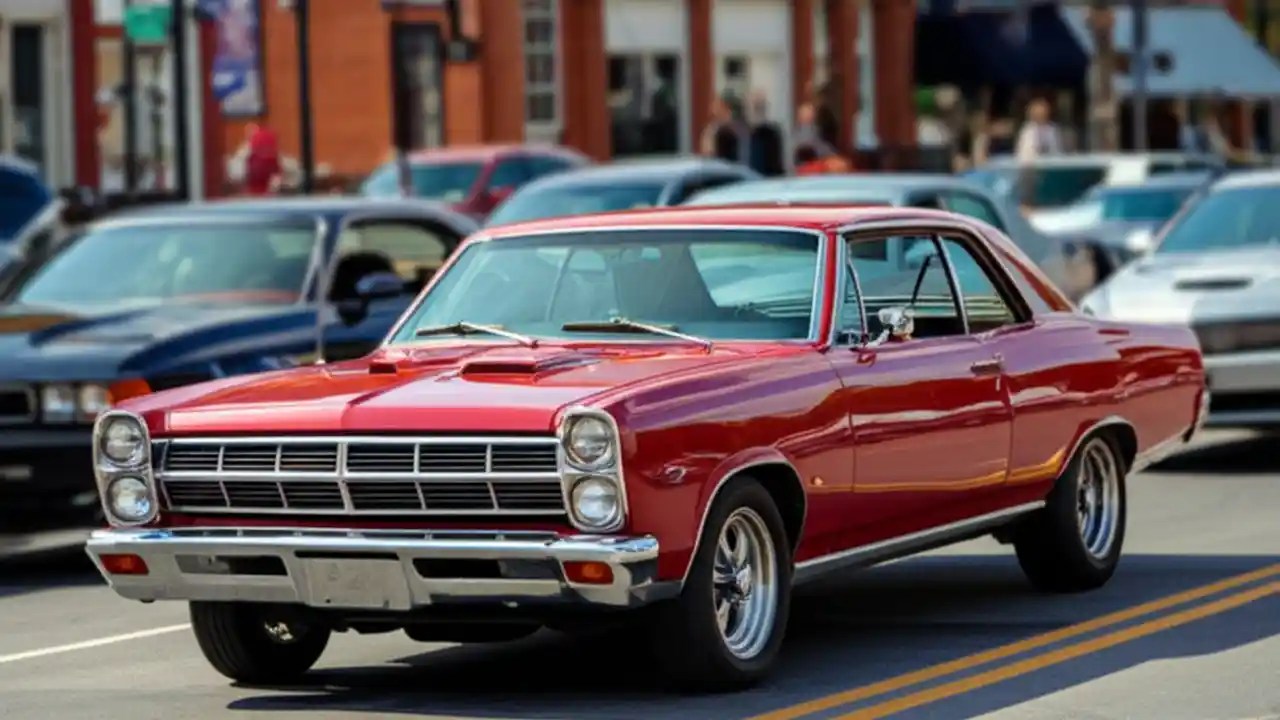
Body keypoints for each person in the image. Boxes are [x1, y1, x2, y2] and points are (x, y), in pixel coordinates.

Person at [746, 90, 785, 176]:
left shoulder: (772, 132)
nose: (757, 109)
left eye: (760, 106)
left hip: (767, 179)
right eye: (755, 105)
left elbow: (777, 162)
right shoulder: (743, 132)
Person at [699, 94, 747, 164]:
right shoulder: (712, 128)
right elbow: (707, 152)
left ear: (725, 107)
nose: (713, 110)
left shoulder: (736, 129)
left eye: (717, 105)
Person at [1014, 98, 1063, 163]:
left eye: (1043, 112)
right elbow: (1022, 153)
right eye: (1037, 113)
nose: (1040, 115)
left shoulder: (1053, 129)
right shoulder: (1026, 130)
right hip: (1031, 166)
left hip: (1051, 165)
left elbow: (1057, 151)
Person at [243, 123, 282, 196]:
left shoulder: (273, 159)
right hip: (253, 196)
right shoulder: (246, 155)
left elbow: (277, 177)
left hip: (267, 196)